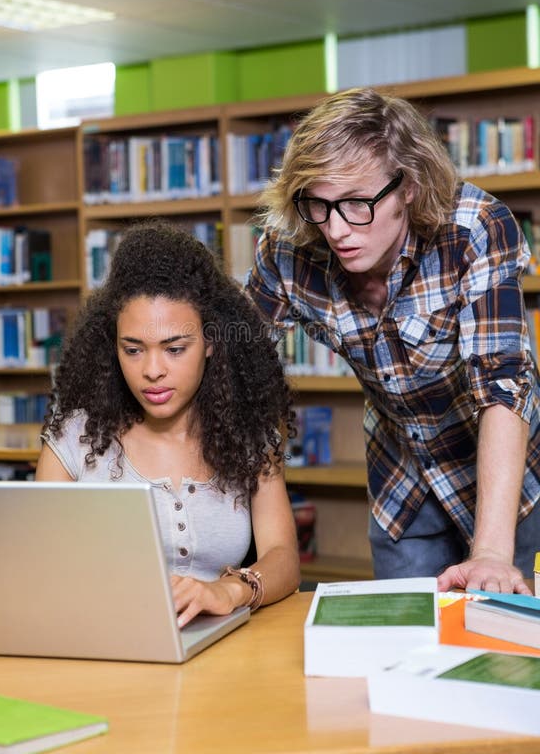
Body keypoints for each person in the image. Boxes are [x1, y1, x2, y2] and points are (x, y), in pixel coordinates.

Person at [246, 86, 540, 595]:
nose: (336, 229)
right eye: (319, 203)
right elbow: (236, 364)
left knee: (512, 654)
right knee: (406, 656)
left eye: (357, 203)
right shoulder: (288, 249)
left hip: (513, 489)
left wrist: (492, 551)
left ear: (407, 185)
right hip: (403, 489)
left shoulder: (472, 227)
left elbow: (503, 386)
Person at [36, 220, 300, 627]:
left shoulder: (249, 436)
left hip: (221, 648)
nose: (152, 370)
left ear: (211, 342)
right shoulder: (73, 440)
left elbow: (282, 556)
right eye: (133, 349)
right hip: (101, 638)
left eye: (175, 349)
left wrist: (229, 591)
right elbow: (41, 566)